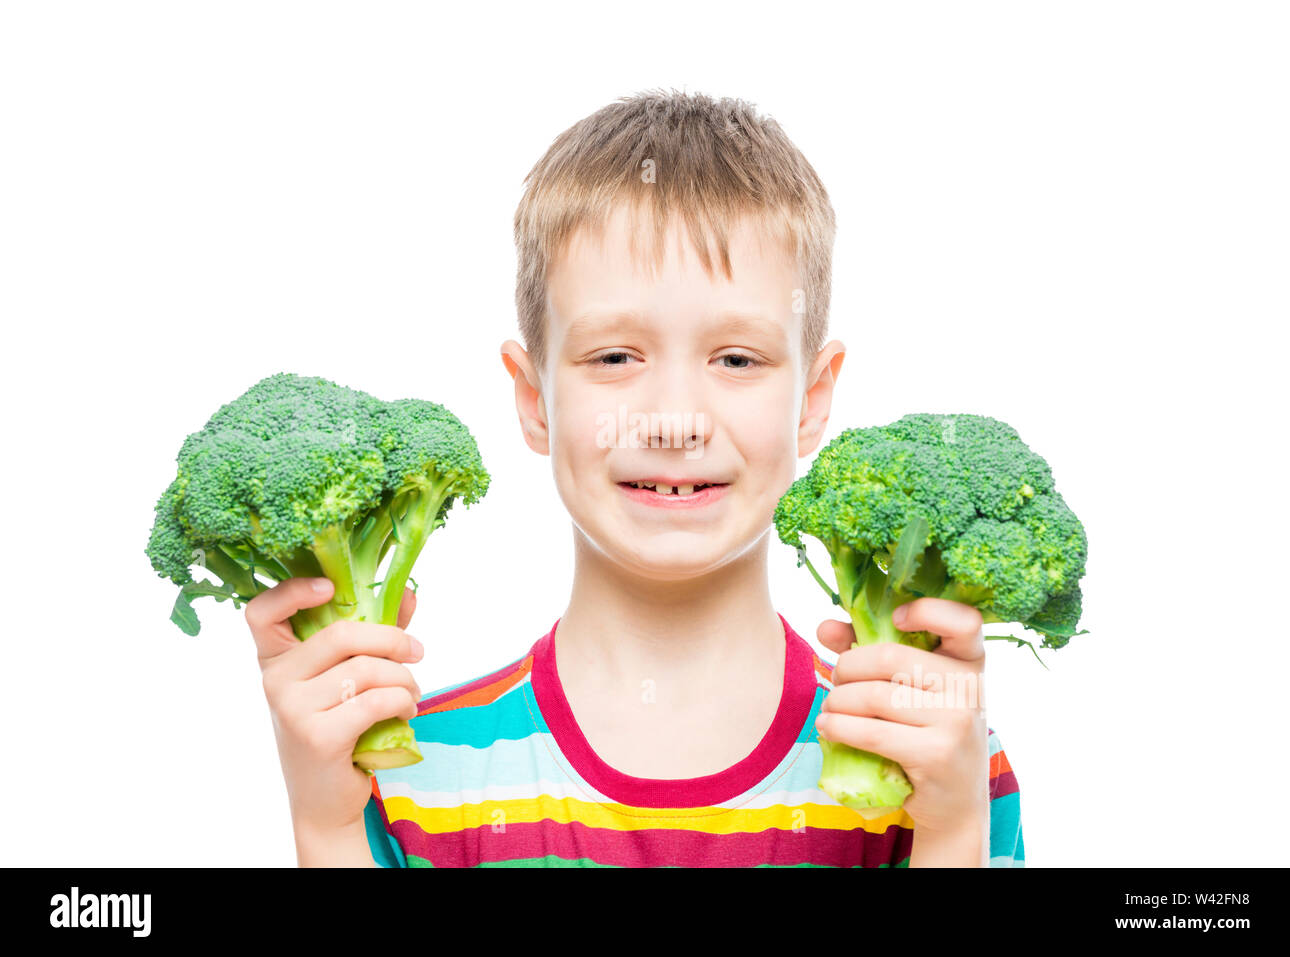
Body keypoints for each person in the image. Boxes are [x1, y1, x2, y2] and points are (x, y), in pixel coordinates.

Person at [244, 89, 1026, 867]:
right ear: (533, 397)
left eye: (737, 359)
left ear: (812, 401)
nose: (674, 418)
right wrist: (326, 824)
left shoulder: (939, 763)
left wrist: (953, 832)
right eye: (615, 357)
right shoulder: (410, 778)